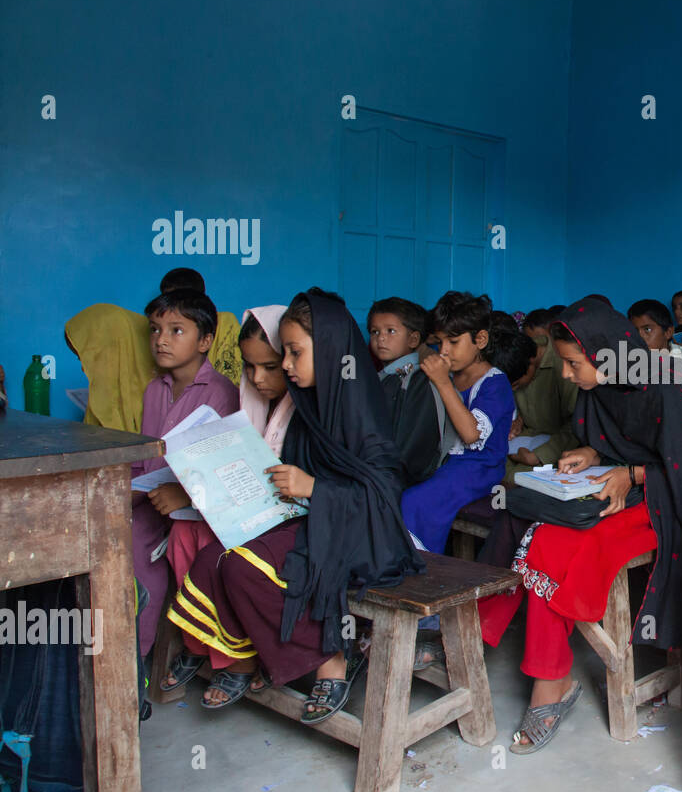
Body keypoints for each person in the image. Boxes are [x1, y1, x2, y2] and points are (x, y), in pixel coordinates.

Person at [476, 298, 682, 753]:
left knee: (551, 545)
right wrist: (591, 455)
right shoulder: (600, 388)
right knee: (531, 526)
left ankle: (551, 685)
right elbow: (612, 444)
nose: (568, 375)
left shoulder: (668, 387)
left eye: (573, 364)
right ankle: (532, 665)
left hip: (666, 501)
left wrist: (631, 475)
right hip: (620, 490)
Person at [167, 288, 419, 718]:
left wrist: (314, 488)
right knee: (213, 559)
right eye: (284, 352)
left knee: (245, 566)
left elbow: (383, 496)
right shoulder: (308, 406)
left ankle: (333, 661)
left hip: (361, 532)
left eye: (294, 353)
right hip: (312, 517)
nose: (285, 365)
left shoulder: (361, 408)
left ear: (332, 352)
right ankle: (254, 657)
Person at [160, 305, 297, 693]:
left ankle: (237, 655)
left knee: (217, 547)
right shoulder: (250, 404)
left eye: (270, 367)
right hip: (249, 507)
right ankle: (200, 640)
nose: (258, 379)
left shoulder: (308, 410)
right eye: (250, 367)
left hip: (289, 518)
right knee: (184, 534)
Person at [131, 288, 240, 655]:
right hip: (151, 499)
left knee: (145, 554)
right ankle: (121, 652)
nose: (161, 340)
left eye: (176, 330)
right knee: (114, 533)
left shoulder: (222, 394)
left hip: (198, 506)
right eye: (155, 329)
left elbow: (225, 471)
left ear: (205, 340)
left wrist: (185, 496)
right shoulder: (153, 390)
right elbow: (145, 458)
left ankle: (143, 658)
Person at [402, 293, 516, 558]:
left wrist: (443, 383)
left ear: (481, 340)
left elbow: (470, 434)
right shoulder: (448, 374)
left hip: (478, 469)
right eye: (439, 342)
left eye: (453, 341)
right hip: (444, 462)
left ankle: (419, 566)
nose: (444, 350)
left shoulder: (494, 383)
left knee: (414, 500)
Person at [369, 296, 444, 488]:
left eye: (391, 331)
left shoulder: (420, 380)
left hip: (401, 478)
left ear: (413, 339)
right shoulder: (381, 377)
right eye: (374, 331)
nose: (381, 337)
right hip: (379, 470)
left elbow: (412, 449)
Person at [507, 309, 581, 481]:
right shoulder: (518, 359)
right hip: (529, 440)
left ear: (532, 363)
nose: (514, 389)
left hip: (561, 446)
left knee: (515, 481)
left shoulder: (564, 364)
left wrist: (540, 456)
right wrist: (519, 421)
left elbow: (577, 424)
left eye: (517, 385)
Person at [63, 304, 156, 432]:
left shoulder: (164, 396)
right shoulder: (103, 397)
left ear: (116, 350)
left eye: (91, 360)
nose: (84, 369)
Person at [159, 267, 242, 385]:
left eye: (179, 300)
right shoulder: (161, 328)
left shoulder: (224, 322)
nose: (171, 306)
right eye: (167, 300)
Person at [628, 298, 682, 407]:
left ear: (668, 332)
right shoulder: (631, 360)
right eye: (634, 331)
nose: (639, 337)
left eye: (647, 329)